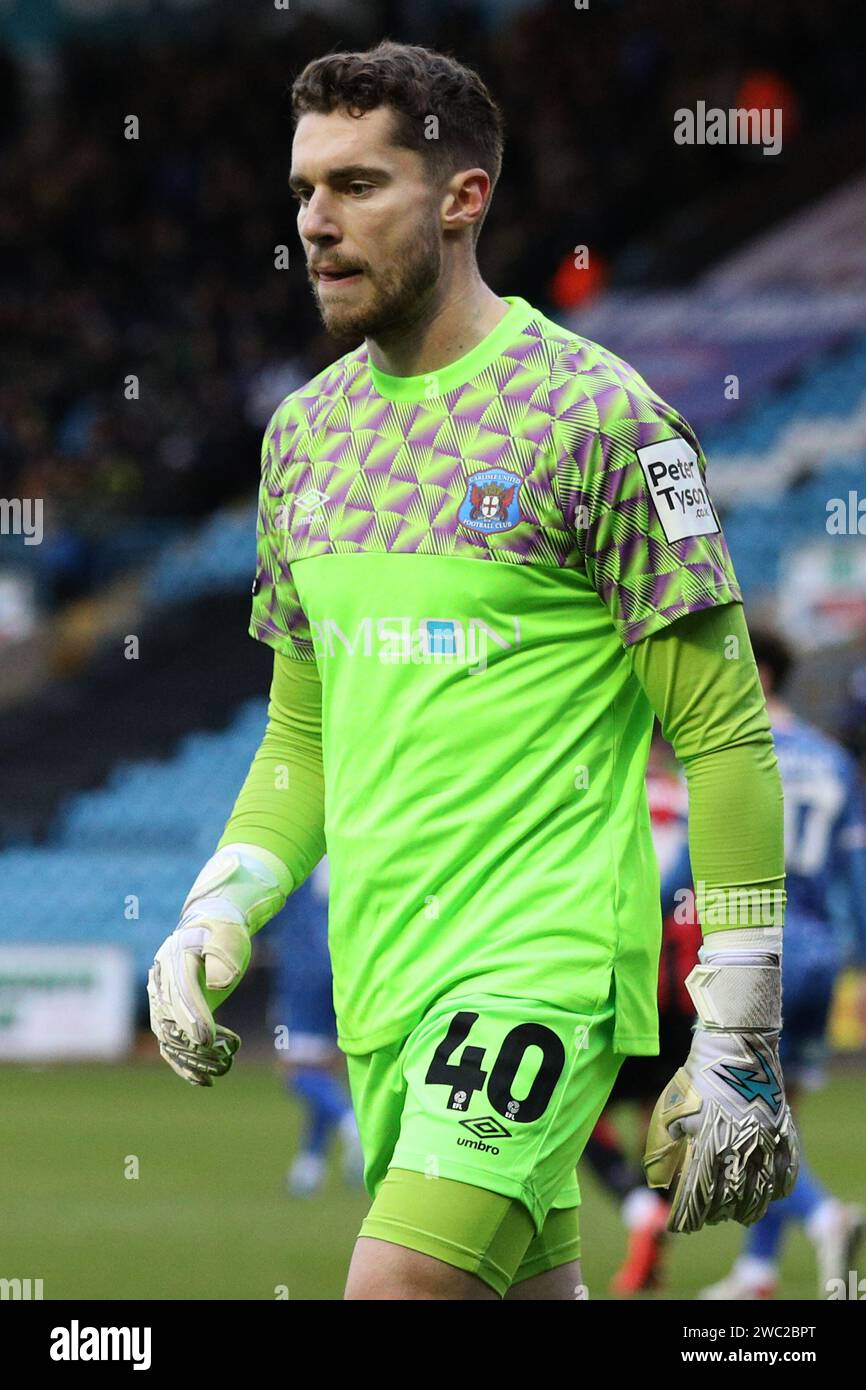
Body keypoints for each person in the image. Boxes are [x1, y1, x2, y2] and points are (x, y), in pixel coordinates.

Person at [147, 40, 797, 1302]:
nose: (315, 224)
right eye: (301, 192)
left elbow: (722, 735)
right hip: (384, 988)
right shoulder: (301, 438)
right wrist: (217, 908)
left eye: (355, 185)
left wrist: (739, 1024)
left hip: (535, 972)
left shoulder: (598, 421)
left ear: (462, 198)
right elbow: (302, 740)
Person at [699, 630, 866, 1300]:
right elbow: (856, 866)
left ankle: (825, 1214)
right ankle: (759, 1269)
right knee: (777, 1110)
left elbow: (687, 863)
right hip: (820, 954)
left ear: (759, 673)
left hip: (752, 948)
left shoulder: (729, 748)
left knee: (729, 1112)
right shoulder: (831, 760)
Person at [583, 728, 701, 1295]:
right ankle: (651, 1227)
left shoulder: (609, 794)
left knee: (578, 1115)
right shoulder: (692, 799)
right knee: (668, 1118)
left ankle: (638, 1212)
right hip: (685, 995)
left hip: (622, 985)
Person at [267, 856, 364, 1196]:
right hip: (345, 965)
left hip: (306, 969)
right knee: (324, 1069)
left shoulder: (299, 855)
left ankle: (351, 1123)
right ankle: (309, 1166)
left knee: (295, 1071)